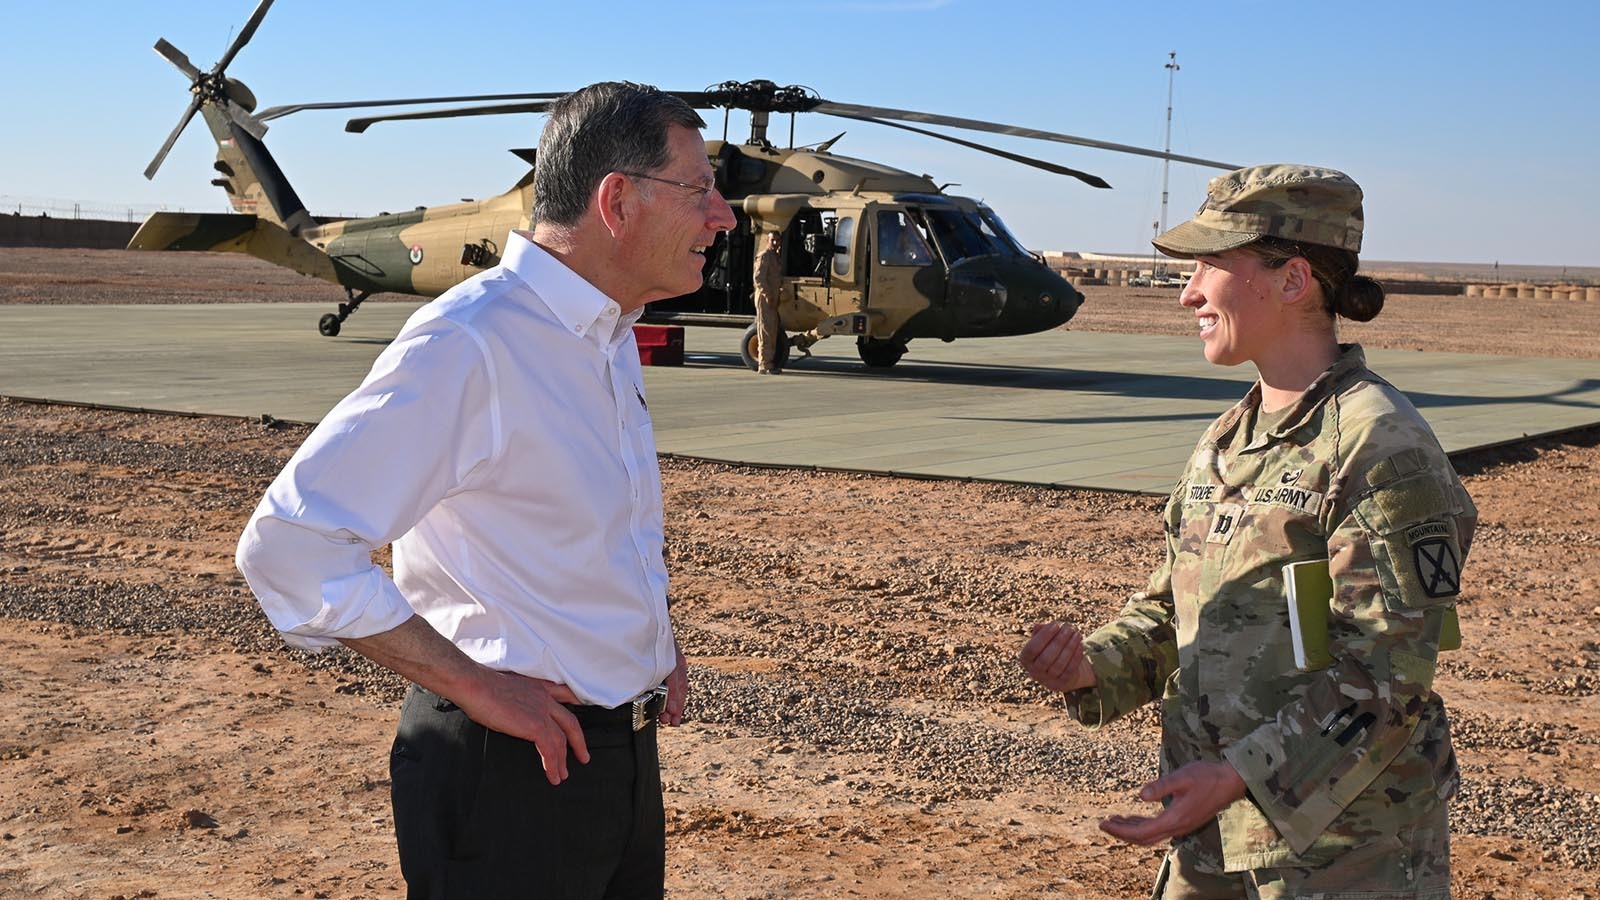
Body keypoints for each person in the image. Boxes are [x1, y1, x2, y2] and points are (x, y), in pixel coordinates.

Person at [235, 81, 736, 898]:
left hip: (612, 762)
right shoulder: (472, 342)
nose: (722, 215)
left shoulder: (600, 332)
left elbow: (568, 528)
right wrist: (473, 683)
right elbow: (290, 545)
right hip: (510, 776)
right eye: (699, 188)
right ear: (617, 200)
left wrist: (647, 642)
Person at [1019, 164, 1474, 899]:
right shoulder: (1230, 438)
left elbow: (1388, 679)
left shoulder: (1380, 445)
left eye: (1209, 267)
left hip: (1345, 856)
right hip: (1214, 841)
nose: (1190, 292)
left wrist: (1235, 777)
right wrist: (1089, 667)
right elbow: (1177, 610)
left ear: (1293, 280)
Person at [751, 228, 784, 373]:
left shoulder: (775, 257)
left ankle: (769, 362)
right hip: (765, 298)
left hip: (774, 297)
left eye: (777, 240)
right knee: (765, 330)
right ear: (767, 241)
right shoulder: (764, 256)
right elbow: (758, 278)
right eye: (773, 240)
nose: (775, 243)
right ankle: (764, 364)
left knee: (772, 330)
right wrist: (767, 294)